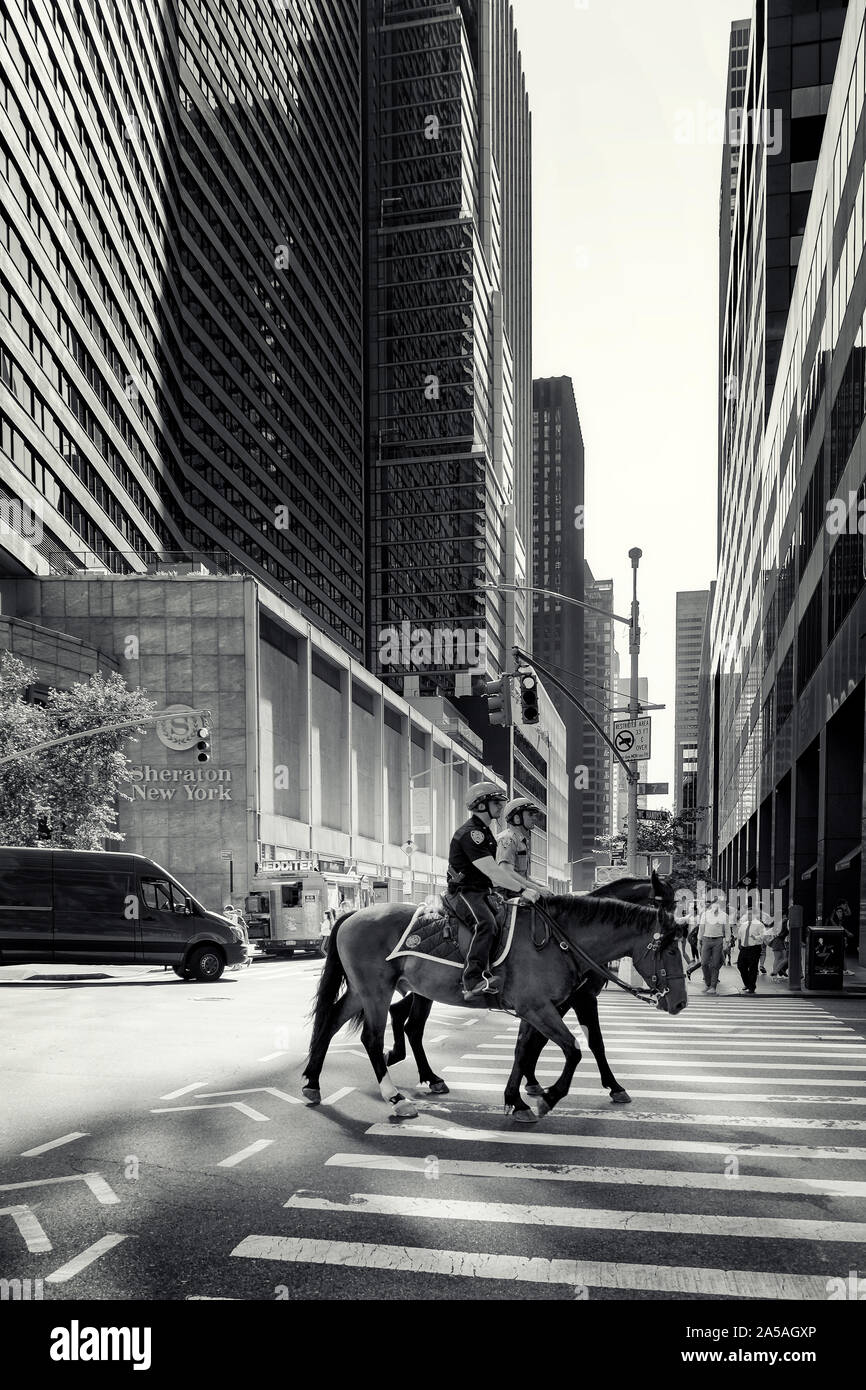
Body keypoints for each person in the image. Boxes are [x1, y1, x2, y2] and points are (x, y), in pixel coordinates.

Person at [448, 782, 543, 998]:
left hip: (482, 892)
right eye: (496, 802)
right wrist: (522, 889)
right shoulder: (472, 834)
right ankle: (472, 980)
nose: (501, 807)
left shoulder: (485, 832)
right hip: (464, 892)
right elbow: (494, 871)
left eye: (501, 802)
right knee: (486, 925)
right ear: (481, 805)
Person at [496, 798, 542, 884]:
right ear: (517, 818)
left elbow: (524, 878)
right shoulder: (507, 839)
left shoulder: (522, 841)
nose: (534, 818)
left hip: (518, 891)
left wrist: (543, 888)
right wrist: (537, 889)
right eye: (530, 814)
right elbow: (506, 872)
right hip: (506, 894)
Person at [696, 895, 731, 995]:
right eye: (715, 903)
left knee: (715, 965)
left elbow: (727, 931)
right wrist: (699, 942)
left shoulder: (724, 915)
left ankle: (713, 987)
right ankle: (708, 984)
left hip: (718, 941)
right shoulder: (705, 914)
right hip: (706, 939)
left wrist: (727, 943)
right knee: (703, 963)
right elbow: (701, 929)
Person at [736, 901, 767, 994]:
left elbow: (763, 935)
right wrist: (739, 943)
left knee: (753, 968)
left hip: (754, 948)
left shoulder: (759, 924)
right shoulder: (744, 924)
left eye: (750, 914)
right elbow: (740, 934)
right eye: (747, 914)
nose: (748, 915)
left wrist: (756, 937)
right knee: (741, 966)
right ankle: (747, 983)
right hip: (744, 948)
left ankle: (752, 987)